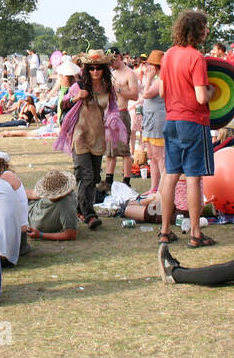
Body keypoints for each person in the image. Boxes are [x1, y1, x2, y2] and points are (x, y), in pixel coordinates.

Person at [157, 10, 216, 248]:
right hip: (193, 122)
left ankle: (164, 230)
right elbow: (202, 97)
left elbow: (162, 92)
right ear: (194, 30)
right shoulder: (196, 58)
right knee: (193, 178)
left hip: (171, 121)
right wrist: (213, 90)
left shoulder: (168, 55)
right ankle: (195, 233)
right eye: (204, 26)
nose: (207, 31)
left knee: (170, 175)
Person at [56, 49, 124, 230]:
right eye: (91, 68)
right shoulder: (79, 86)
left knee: (93, 177)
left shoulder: (107, 88)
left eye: (98, 68)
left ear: (104, 69)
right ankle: (89, 214)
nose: (95, 71)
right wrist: (77, 96)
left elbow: (114, 107)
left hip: (98, 137)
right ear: (87, 69)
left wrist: (114, 117)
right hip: (79, 136)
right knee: (84, 175)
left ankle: (79, 208)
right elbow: (63, 104)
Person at [103, 48, 141, 190]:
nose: (111, 64)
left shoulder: (130, 74)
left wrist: (119, 90)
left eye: (112, 60)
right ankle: (108, 179)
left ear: (119, 57)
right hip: (110, 113)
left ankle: (126, 180)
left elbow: (135, 95)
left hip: (122, 113)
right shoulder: (111, 74)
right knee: (110, 150)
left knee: (124, 150)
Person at [138, 50, 167, 194]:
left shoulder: (162, 79)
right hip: (149, 120)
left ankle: (164, 188)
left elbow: (147, 93)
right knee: (151, 156)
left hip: (157, 120)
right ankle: (154, 187)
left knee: (159, 156)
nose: (147, 68)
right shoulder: (156, 79)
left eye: (150, 65)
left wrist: (148, 78)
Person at [25, 169, 80, 242]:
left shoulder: (66, 205)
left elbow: (71, 234)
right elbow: (33, 194)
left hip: (26, 218)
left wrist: (41, 235)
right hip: (28, 209)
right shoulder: (53, 193)